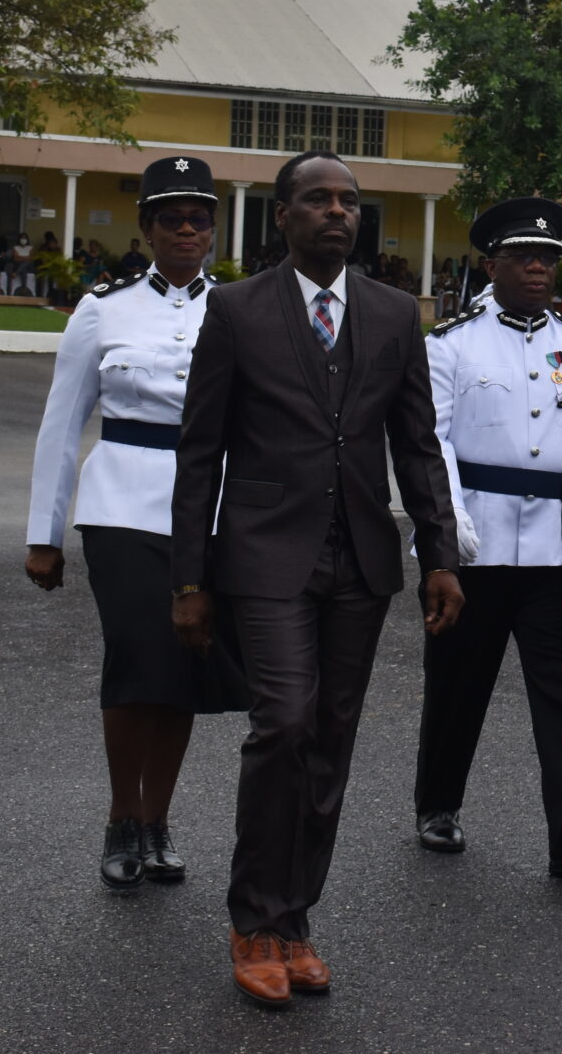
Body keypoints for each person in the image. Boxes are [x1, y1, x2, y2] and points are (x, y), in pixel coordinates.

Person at [170, 148, 465, 1008]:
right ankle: (253, 917)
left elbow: (416, 442)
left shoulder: (390, 312)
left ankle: (294, 919)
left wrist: (439, 555)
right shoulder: (234, 310)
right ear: (283, 216)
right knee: (285, 721)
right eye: (319, 199)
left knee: (330, 740)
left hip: (361, 561)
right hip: (263, 555)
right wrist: (190, 576)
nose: (339, 212)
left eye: (350, 200)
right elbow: (200, 452)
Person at [25, 155, 249, 894]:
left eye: (199, 217)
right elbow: (62, 425)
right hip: (121, 507)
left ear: (213, 228)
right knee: (134, 659)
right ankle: (122, 816)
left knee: (185, 663)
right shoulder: (102, 309)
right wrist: (43, 533)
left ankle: (159, 821)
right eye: (171, 217)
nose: (187, 229)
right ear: (147, 227)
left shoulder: (239, 309)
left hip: (208, 509)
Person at [412, 197, 562, 876]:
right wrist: (445, 532)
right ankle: (438, 804)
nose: (538, 267)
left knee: (561, 690)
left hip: (551, 551)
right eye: (523, 256)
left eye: (548, 258)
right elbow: (431, 444)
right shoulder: (449, 343)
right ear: (491, 264)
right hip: (474, 550)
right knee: (457, 682)